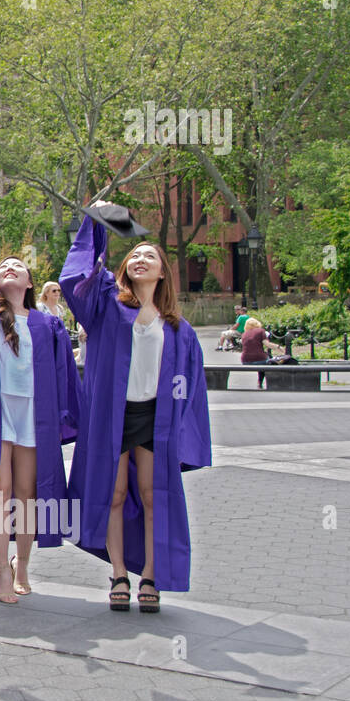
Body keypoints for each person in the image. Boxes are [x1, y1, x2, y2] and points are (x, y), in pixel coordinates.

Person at [59, 201, 212, 612]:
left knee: (152, 494)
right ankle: (119, 574)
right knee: (114, 494)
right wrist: (98, 223)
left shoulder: (178, 329)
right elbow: (75, 279)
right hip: (112, 416)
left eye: (150, 257)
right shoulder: (108, 309)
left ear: (163, 272)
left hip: (153, 419)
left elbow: (191, 390)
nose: (142, 260)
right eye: (135, 256)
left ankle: (151, 576)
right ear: (124, 269)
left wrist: (185, 436)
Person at [0, 245, 81, 603]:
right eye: (3, 266)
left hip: (33, 418)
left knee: (27, 495)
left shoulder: (48, 324)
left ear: (28, 282)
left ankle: (22, 563)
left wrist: (61, 418)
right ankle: (1, 571)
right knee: (0, 495)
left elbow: (62, 374)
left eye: (18, 266)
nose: (10, 268)